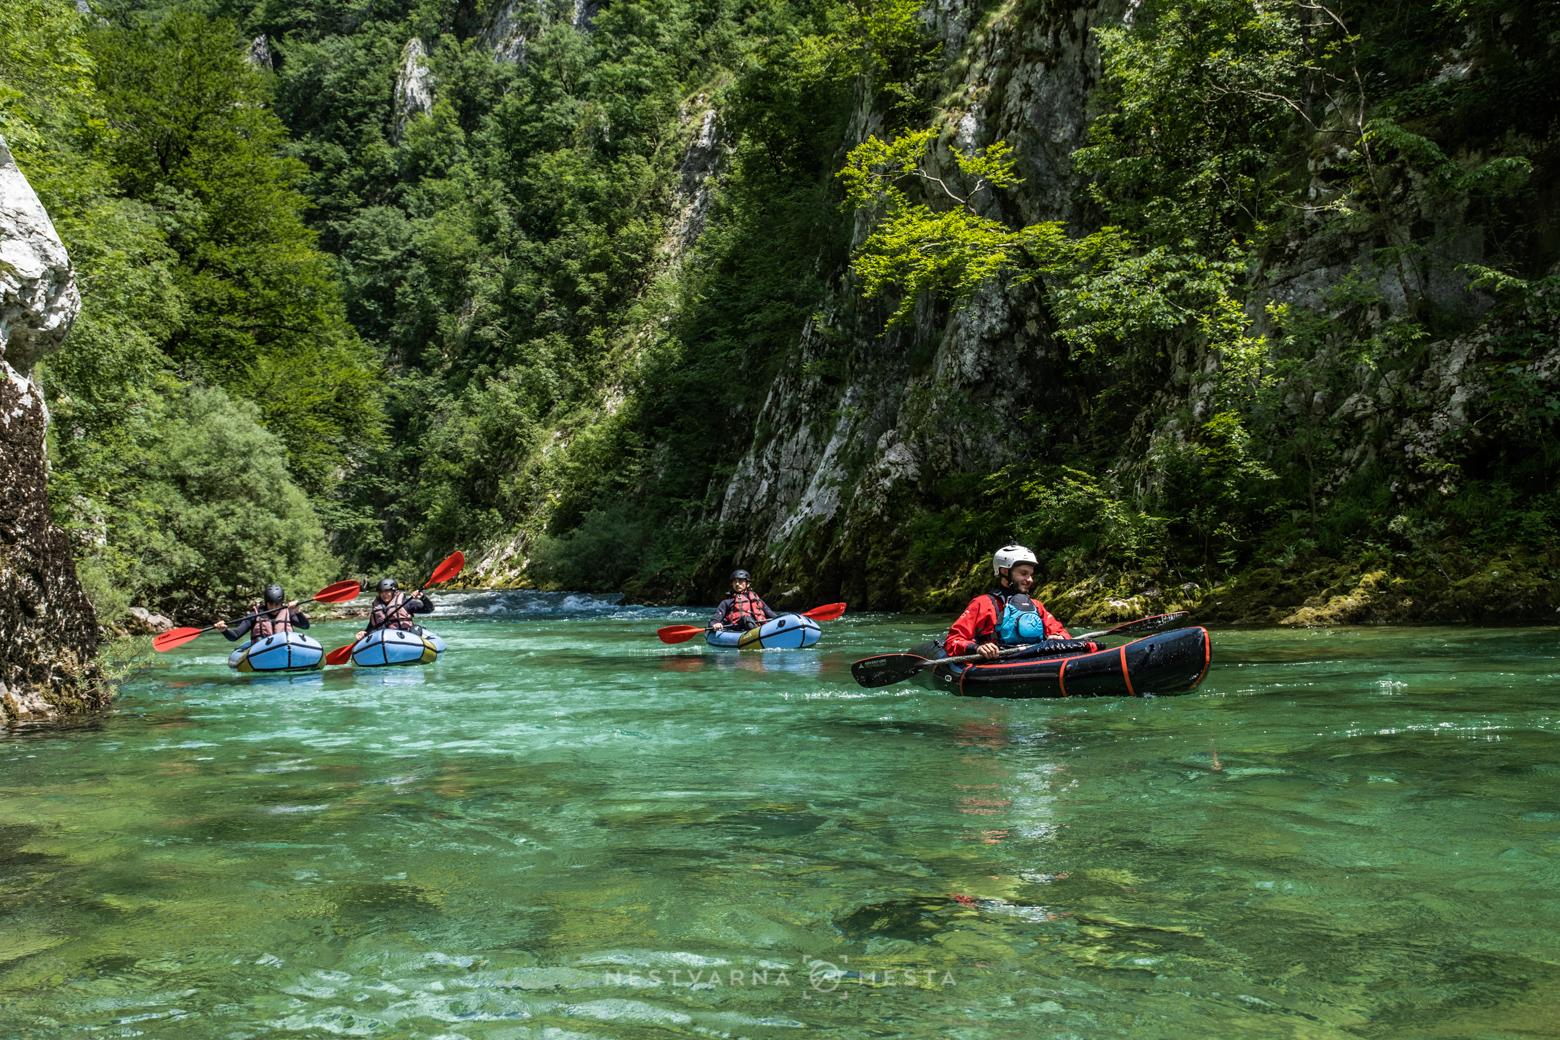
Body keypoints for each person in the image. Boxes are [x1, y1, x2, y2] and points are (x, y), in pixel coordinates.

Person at [945, 544, 1071, 660]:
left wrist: (1060, 637)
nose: (1030, 579)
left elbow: (1062, 633)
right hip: (997, 663)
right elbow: (952, 640)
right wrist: (977, 648)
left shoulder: (1036, 605)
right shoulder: (982, 604)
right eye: (1024, 574)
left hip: (1033, 659)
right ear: (1005, 572)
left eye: (1031, 574)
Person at [215, 584, 310, 642]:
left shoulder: (288, 612)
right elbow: (234, 637)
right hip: (262, 651)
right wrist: (224, 630)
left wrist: (297, 612)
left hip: (285, 647)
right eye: (270, 604)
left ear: (282, 603)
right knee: (259, 640)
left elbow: (305, 627)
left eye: (277, 604)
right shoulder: (255, 615)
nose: (274, 607)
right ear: (265, 603)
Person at [356, 578, 434, 641]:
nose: (384, 594)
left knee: (416, 629)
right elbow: (372, 627)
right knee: (372, 633)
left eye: (387, 591)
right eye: (381, 592)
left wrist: (423, 598)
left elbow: (429, 609)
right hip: (383, 642)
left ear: (394, 592)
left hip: (405, 639)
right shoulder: (377, 608)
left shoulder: (405, 603)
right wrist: (364, 632)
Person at [709, 569, 778, 632]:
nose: (737, 584)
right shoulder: (727, 602)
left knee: (785, 615)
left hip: (758, 628)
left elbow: (774, 617)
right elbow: (713, 621)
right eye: (735, 581)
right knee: (745, 619)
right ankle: (759, 634)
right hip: (737, 630)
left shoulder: (757, 600)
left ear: (747, 584)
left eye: (740, 581)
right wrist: (715, 625)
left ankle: (761, 633)